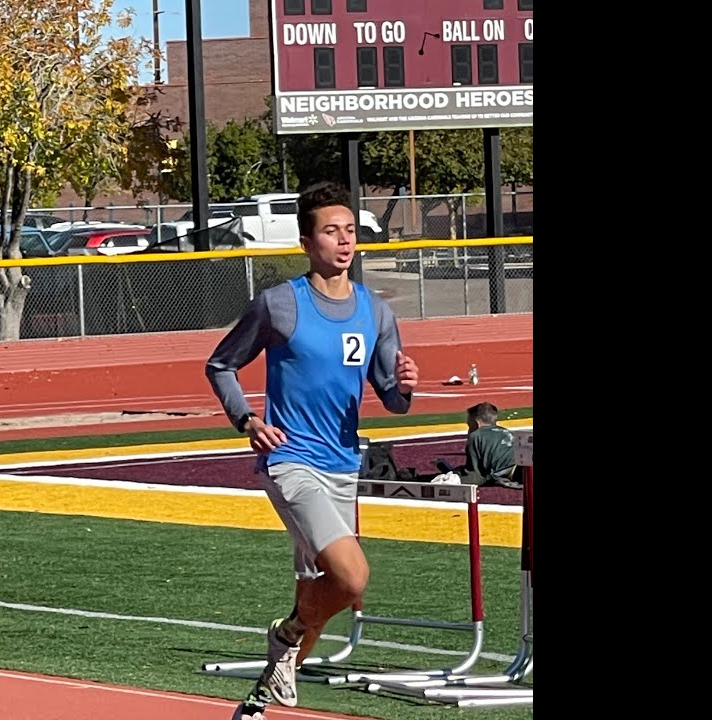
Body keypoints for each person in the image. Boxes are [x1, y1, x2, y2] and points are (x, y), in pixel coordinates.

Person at [205, 181, 420, 719]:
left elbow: (392, 399)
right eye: (331, 231)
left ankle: (259, 696)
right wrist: (248, 419)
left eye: (350, 230)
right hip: (291, 461)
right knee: (351, 577)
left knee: (327, 592)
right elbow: (221, 364)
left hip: (344, 465)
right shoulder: (279, 304)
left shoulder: (375, 311)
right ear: (307, 242)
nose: (344, 241)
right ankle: (286, 637)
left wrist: (405, 387)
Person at [431, 401, 520, 488]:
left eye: (469, 425)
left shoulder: (476, 436)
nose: (468, 431)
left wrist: (456, 478)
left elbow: (476, 475)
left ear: (476, 424)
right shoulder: (507, 431)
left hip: (513, 473)